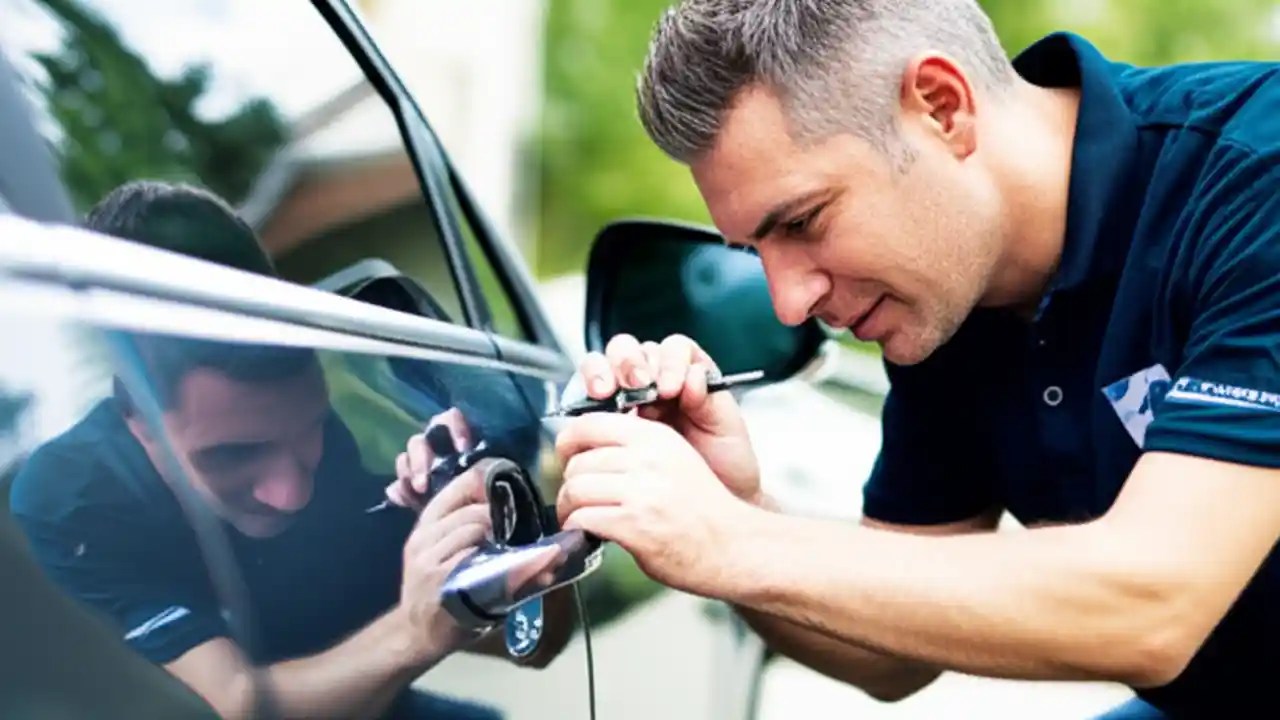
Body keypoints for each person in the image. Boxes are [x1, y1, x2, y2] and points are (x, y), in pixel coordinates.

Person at [553, 1, 1280, 717]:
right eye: (754, 252)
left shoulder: (1256, 180)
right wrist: (730, 506)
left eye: (804, 221)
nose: (788, 304)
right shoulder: (946, 291)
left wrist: (732, 539)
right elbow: (892, 660)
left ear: (940, 106)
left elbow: (1153, 604)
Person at [9, 181, 560, 720]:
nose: (292, 493)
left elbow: (538, 643)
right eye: (229, 455)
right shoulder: (71, 498)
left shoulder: (349, 447)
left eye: (310, 430)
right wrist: (414, 629)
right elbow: (232, 707)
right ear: (137, 419)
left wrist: (493, 535)